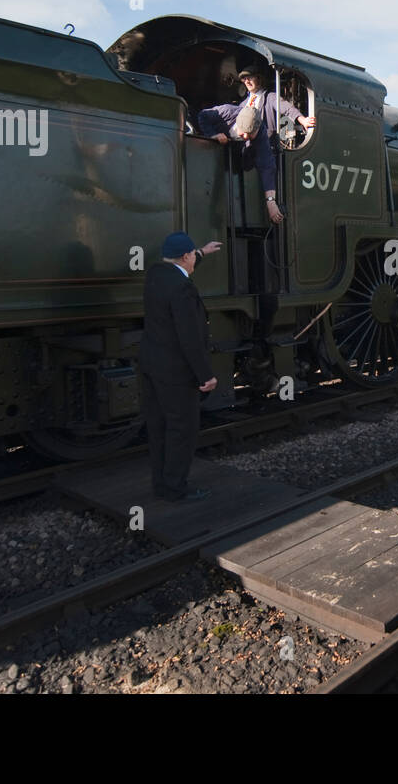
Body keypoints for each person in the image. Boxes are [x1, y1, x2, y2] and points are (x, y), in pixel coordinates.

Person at [139, 231, 222, 502]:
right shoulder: (182, 288)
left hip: (151, 365)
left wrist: (202, 252)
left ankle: (161, 485)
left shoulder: (154, 275)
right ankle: (175, 487)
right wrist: (206, 375)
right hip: (176, 372)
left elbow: (181, 263)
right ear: (185, 257)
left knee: (158, 428)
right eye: (192, 256)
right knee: (181, 428)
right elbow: (190, 337)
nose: (194, 260)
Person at [196, 66, 316, 225]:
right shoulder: (232, 109)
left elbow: (286, 109)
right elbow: (202, 116)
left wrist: (302, 120)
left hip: (262, 149)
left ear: (259, 79)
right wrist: (213, 135)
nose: (246, 81)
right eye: (243, 79)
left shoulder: (269, 100)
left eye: (250, 77)